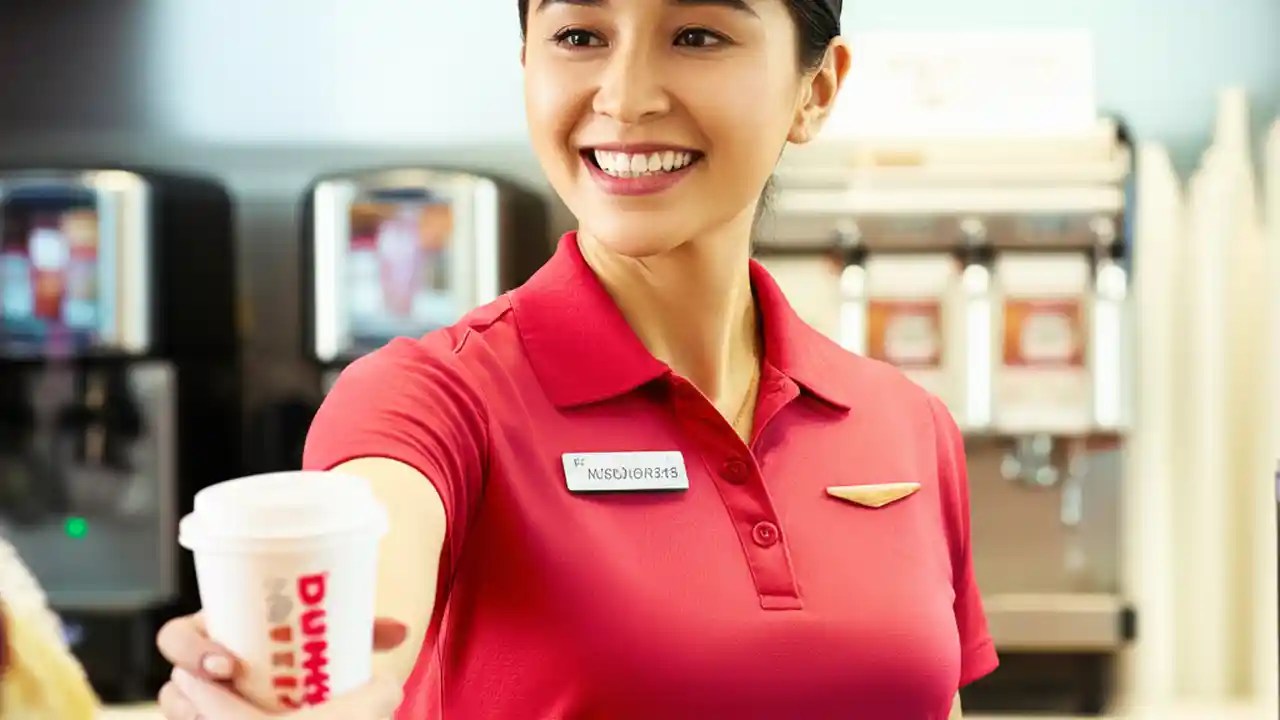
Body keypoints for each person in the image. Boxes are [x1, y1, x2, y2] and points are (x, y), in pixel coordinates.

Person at [156, 0, 998, 717]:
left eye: (698, 35)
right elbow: (363, 615)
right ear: (526, 61)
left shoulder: (905, 423)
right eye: (579, 36)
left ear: (815, 90)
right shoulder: (431, 399)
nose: (626, 98)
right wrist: (298, 680)